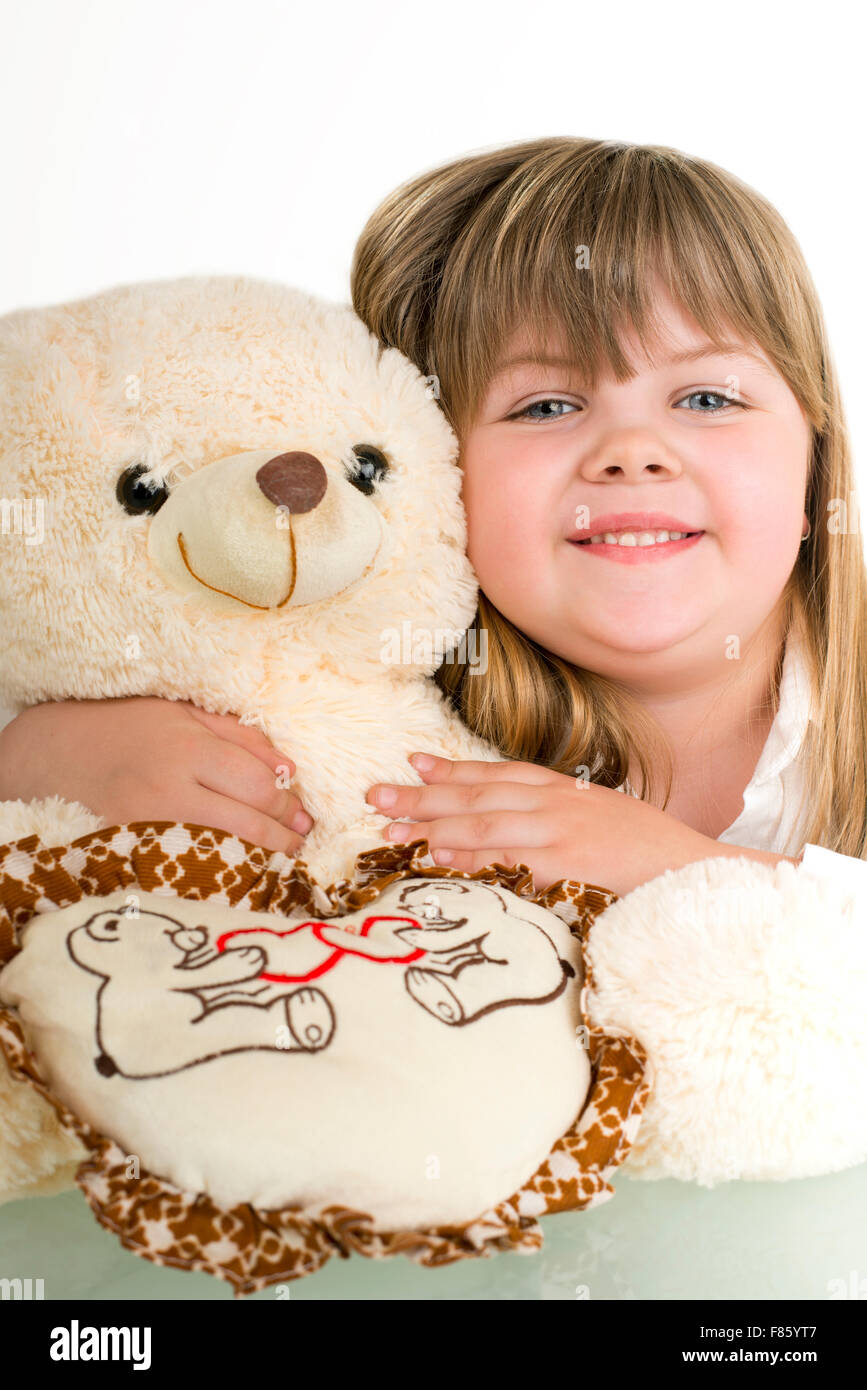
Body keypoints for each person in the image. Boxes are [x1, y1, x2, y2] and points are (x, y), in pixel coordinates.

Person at [1, 137, 866, 902]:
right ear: (434, 465)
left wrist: (686, 872)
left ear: (811, 459)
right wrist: (36, 758)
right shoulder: (352, 684)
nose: (632, 452)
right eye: (546, 405)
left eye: (707, 397)